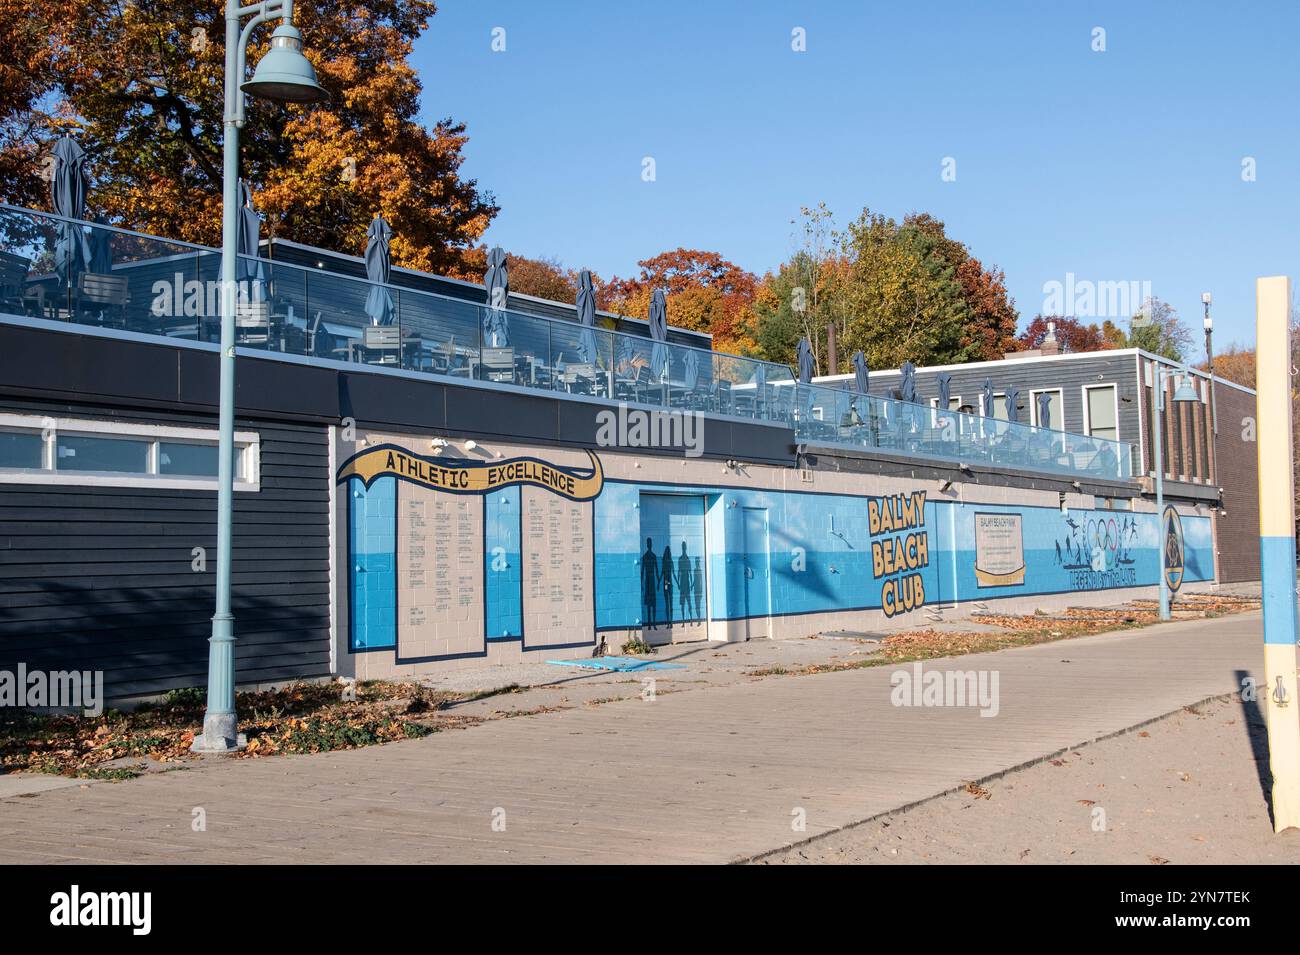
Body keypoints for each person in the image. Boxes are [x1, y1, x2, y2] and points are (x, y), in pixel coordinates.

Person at [640, 537, 659, 629]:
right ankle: (649, 624)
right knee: (648, 604)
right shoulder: (644, 557)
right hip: (648, 581)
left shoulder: (654, 556)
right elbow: (642, 571)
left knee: (654, 604)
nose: (649, 544)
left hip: (652, 581)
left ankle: (654, 623)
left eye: (650, 543)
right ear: (647, 545)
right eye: (648, 543)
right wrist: (641, 584)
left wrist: (659, 582)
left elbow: (657, 570)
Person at [677, 540, 692, 621]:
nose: (683, 548)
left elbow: (690, 573)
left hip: (686, 583)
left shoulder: (688, 559)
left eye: (684, 546)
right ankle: (683, 621)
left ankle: (691, 620)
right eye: (683, 546)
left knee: (689, 602)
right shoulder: (680, 559)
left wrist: (692, 584)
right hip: (682, 583)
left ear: (685, 548)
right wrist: (679, 583)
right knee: (682, 603)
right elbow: (679, 571)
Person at [660, 544, 675, 627]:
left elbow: (663, 573)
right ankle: (669, 622)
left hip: (666, 584)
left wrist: (659, 582)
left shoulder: (667, 562)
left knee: (668, 604)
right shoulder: (668, 562)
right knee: (669, 604)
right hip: (668, 584)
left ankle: (670, 623)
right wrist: (658, 582)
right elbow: (664, 573)